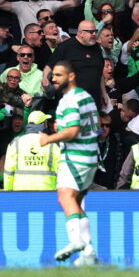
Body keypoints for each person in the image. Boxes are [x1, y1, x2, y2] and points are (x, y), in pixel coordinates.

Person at [39, 60, 100, 265]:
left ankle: (75, 241)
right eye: (53, 75)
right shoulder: (87, 97)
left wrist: (49, 138)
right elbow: (94, 126)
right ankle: (89, 252)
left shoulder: (69, 100)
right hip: (91, 155)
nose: (53, 79)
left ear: (71, 76)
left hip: (76, 156)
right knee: (76, 201)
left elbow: (73, 131)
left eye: (58, 75)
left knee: (65, 197)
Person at [3, 111, 60, 191]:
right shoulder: (52, 145)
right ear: (44, 124)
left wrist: (8, 194)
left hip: (20, 193)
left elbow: (8, 172)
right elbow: (61, 171)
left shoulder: (15, 143)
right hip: (47, 193)